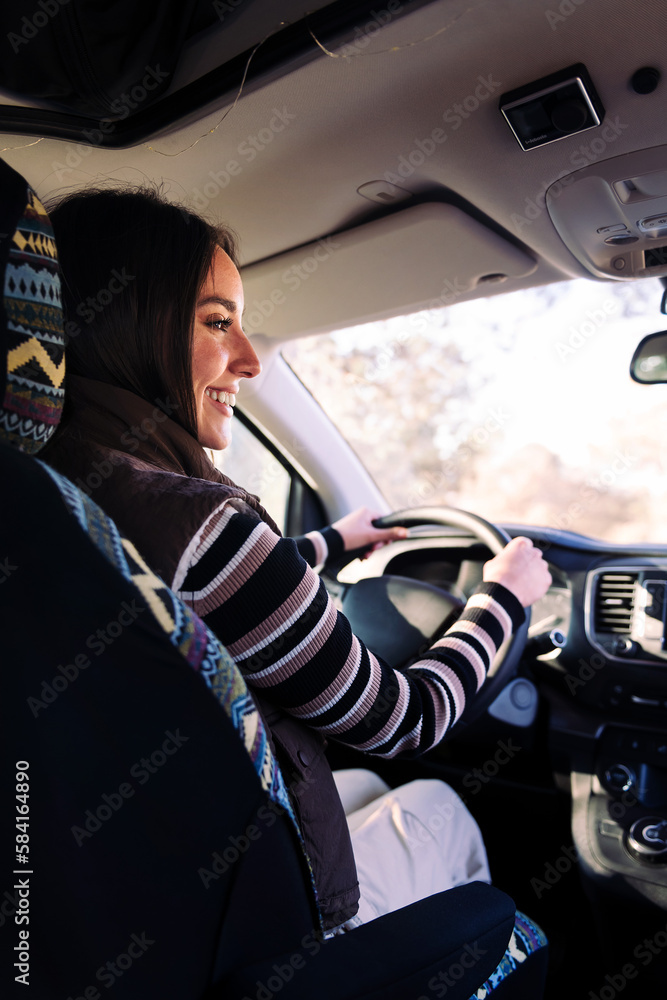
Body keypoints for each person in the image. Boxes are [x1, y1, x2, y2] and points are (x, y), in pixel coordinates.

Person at [42, 184, 551, 994]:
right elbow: (401, 718)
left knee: (365, 790)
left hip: (129, 880)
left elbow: (216, 596)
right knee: (436, 807)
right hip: (240, 939)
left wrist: (329, 543)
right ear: (126, 326)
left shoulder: (54, 486)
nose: (247, 358)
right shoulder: (201, 522)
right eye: (218, 323)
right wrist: (504, 601)